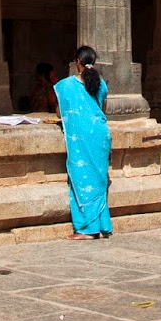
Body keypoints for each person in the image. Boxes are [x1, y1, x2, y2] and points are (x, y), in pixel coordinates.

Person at [55, 45, 112, 239]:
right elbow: (103, 109)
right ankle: (103, 226)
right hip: (101, 135)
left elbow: (59, 111)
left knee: (81, 180)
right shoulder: (101, 84)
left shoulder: (67, 85)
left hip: (82, 138)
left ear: (77, 62)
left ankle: (87, 229)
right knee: (98, 180)